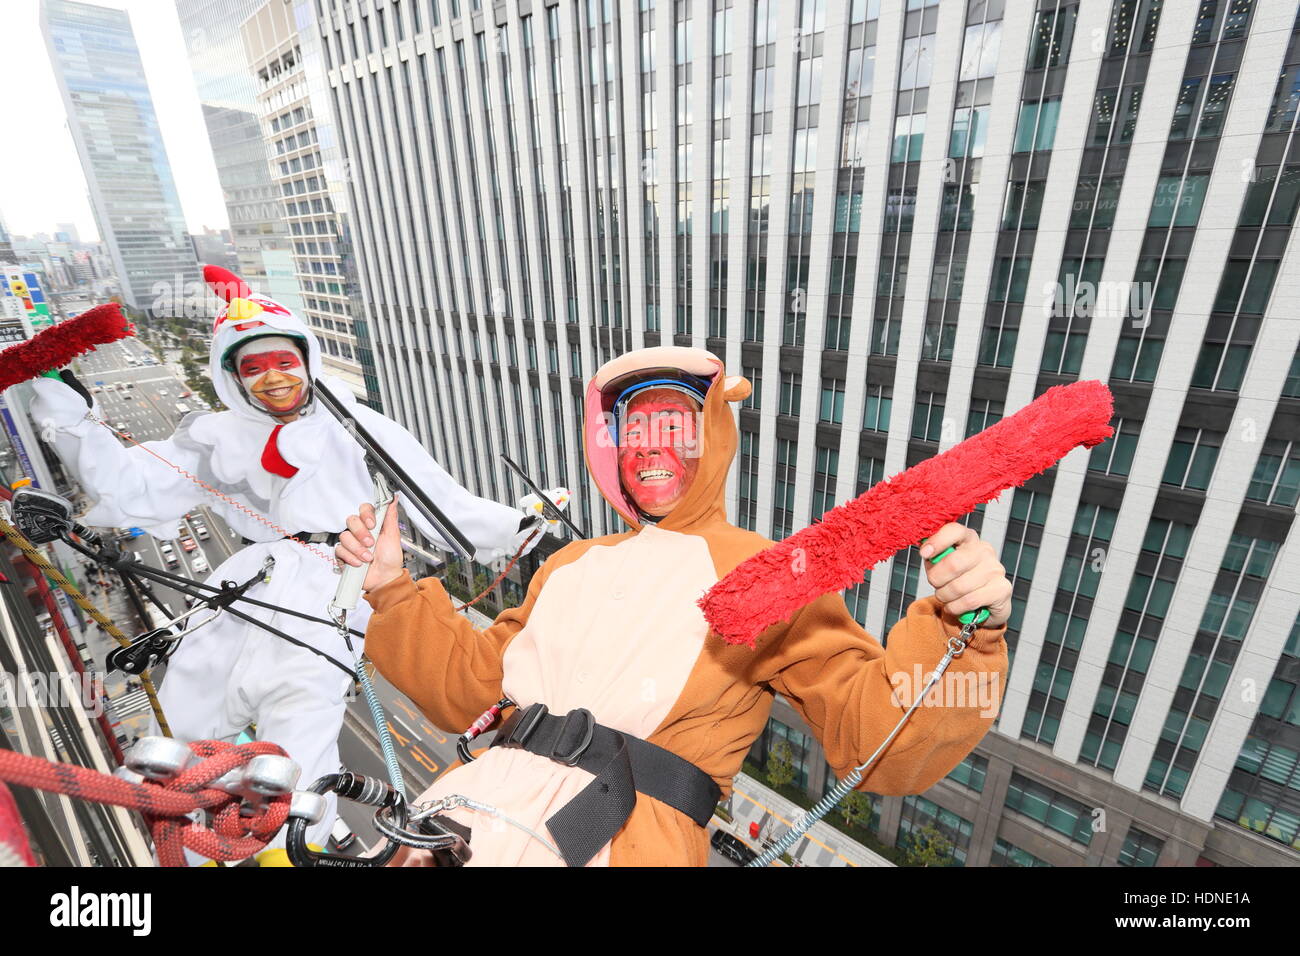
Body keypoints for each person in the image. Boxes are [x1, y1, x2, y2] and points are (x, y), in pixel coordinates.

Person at [338, 346, 1011, 866]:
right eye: (636, 426)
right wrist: (391, 589)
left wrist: (965, 634)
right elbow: (469, 690)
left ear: (711, 435)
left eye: (676, 425)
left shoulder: (762, 571)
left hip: (621, 838)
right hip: (455, 816)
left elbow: (882, 742)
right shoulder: (570, 564)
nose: (653, 445)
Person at [27, 266, 563, 865]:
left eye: (283, 361)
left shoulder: (357, 426)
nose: (272, 379)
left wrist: (513, 526)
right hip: (246, 586)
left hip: (338, 582)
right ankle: (186, 842)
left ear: (305, 360)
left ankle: (295, 847)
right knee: (190, 704)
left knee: (298, 732)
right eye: (251, 369)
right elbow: (129, 486)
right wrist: (66, 407)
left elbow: (435, 495)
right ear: (231, 378)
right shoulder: (212, 439)